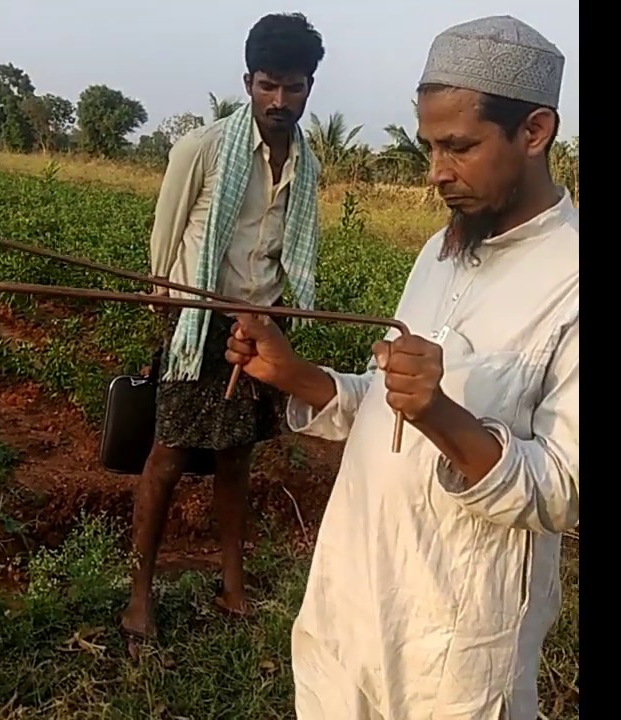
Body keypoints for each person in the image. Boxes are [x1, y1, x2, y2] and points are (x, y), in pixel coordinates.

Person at [224, 15, 578, 720]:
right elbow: (389, 400)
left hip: (455, 644)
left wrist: (440, 415)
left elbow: (562, 492)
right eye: (429, 147)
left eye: (460, 147)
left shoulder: (569, 279)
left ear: (535, 132)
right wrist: (298, 377)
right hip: (353, 602)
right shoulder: (440, 252)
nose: (436, 172)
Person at [119, 12, 326, 654]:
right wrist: (168, 303)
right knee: (169, 455)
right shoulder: (202, 149)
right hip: (199, 323)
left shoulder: (308, 163)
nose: (280, 100)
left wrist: (275, 317)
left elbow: (287, 249)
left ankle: (232, 587)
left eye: (293, 87)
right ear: (248, 83)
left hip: (259, 324)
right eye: (268, 85)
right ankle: (138, 597)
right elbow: (166, 237)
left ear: (309, 87)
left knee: (238, 457)